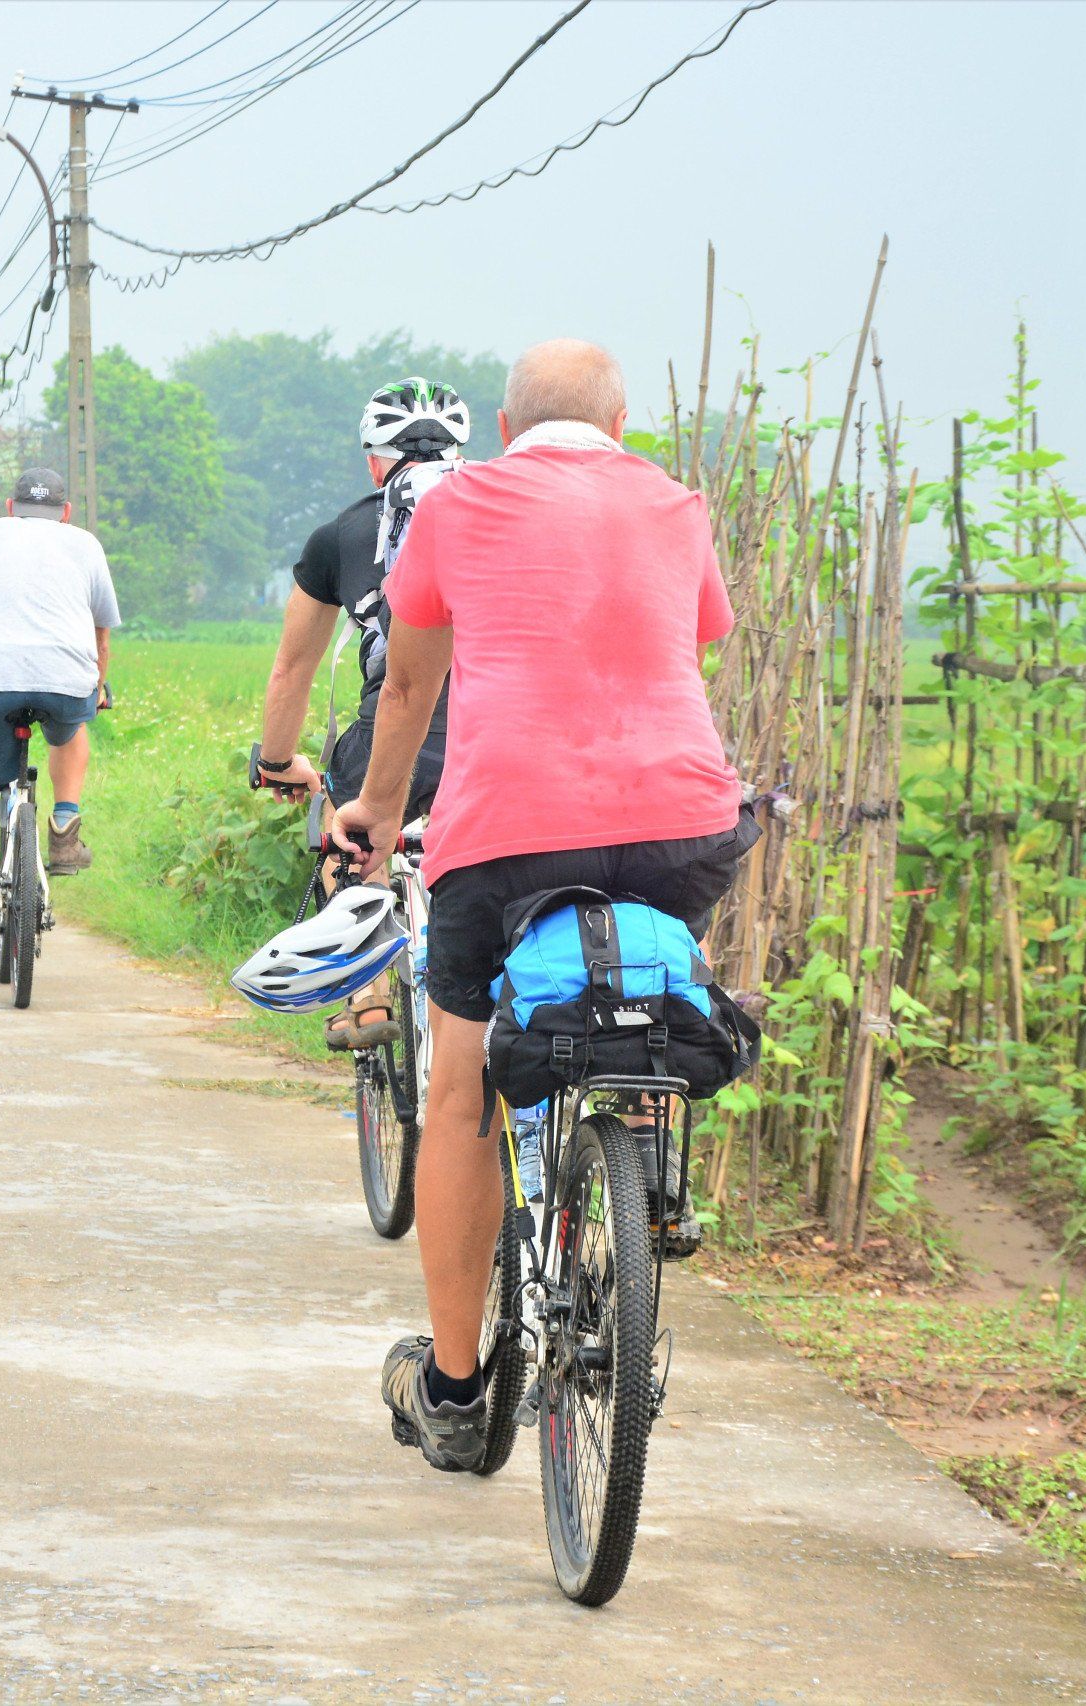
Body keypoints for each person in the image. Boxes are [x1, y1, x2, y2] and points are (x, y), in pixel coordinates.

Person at [331, 339, 756, 1473]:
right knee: (650, 985)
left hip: (507, 827)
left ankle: (458, 1389)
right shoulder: (676, 502)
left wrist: (375, 811)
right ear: (620, 424)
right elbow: (700, 634)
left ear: (511, 430)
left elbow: (412, 682)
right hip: (681, 820)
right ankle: (650, 1185)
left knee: (464, 1080)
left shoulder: (460, 503)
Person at [250, 378, 470, 1050]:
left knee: (354, 840)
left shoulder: (337, 536)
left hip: (394, 722)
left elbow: (294, 667)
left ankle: (367, 1001)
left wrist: (277, 761)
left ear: (374, 461)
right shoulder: (499, 512)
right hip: (498, 721)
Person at [0, 467, 120, 949]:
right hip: (66, 679)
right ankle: (64, 828)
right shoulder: (86, 544)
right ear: (66, 512)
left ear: (11, 508)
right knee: (73, 728)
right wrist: (95, 688)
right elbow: (101, 634)